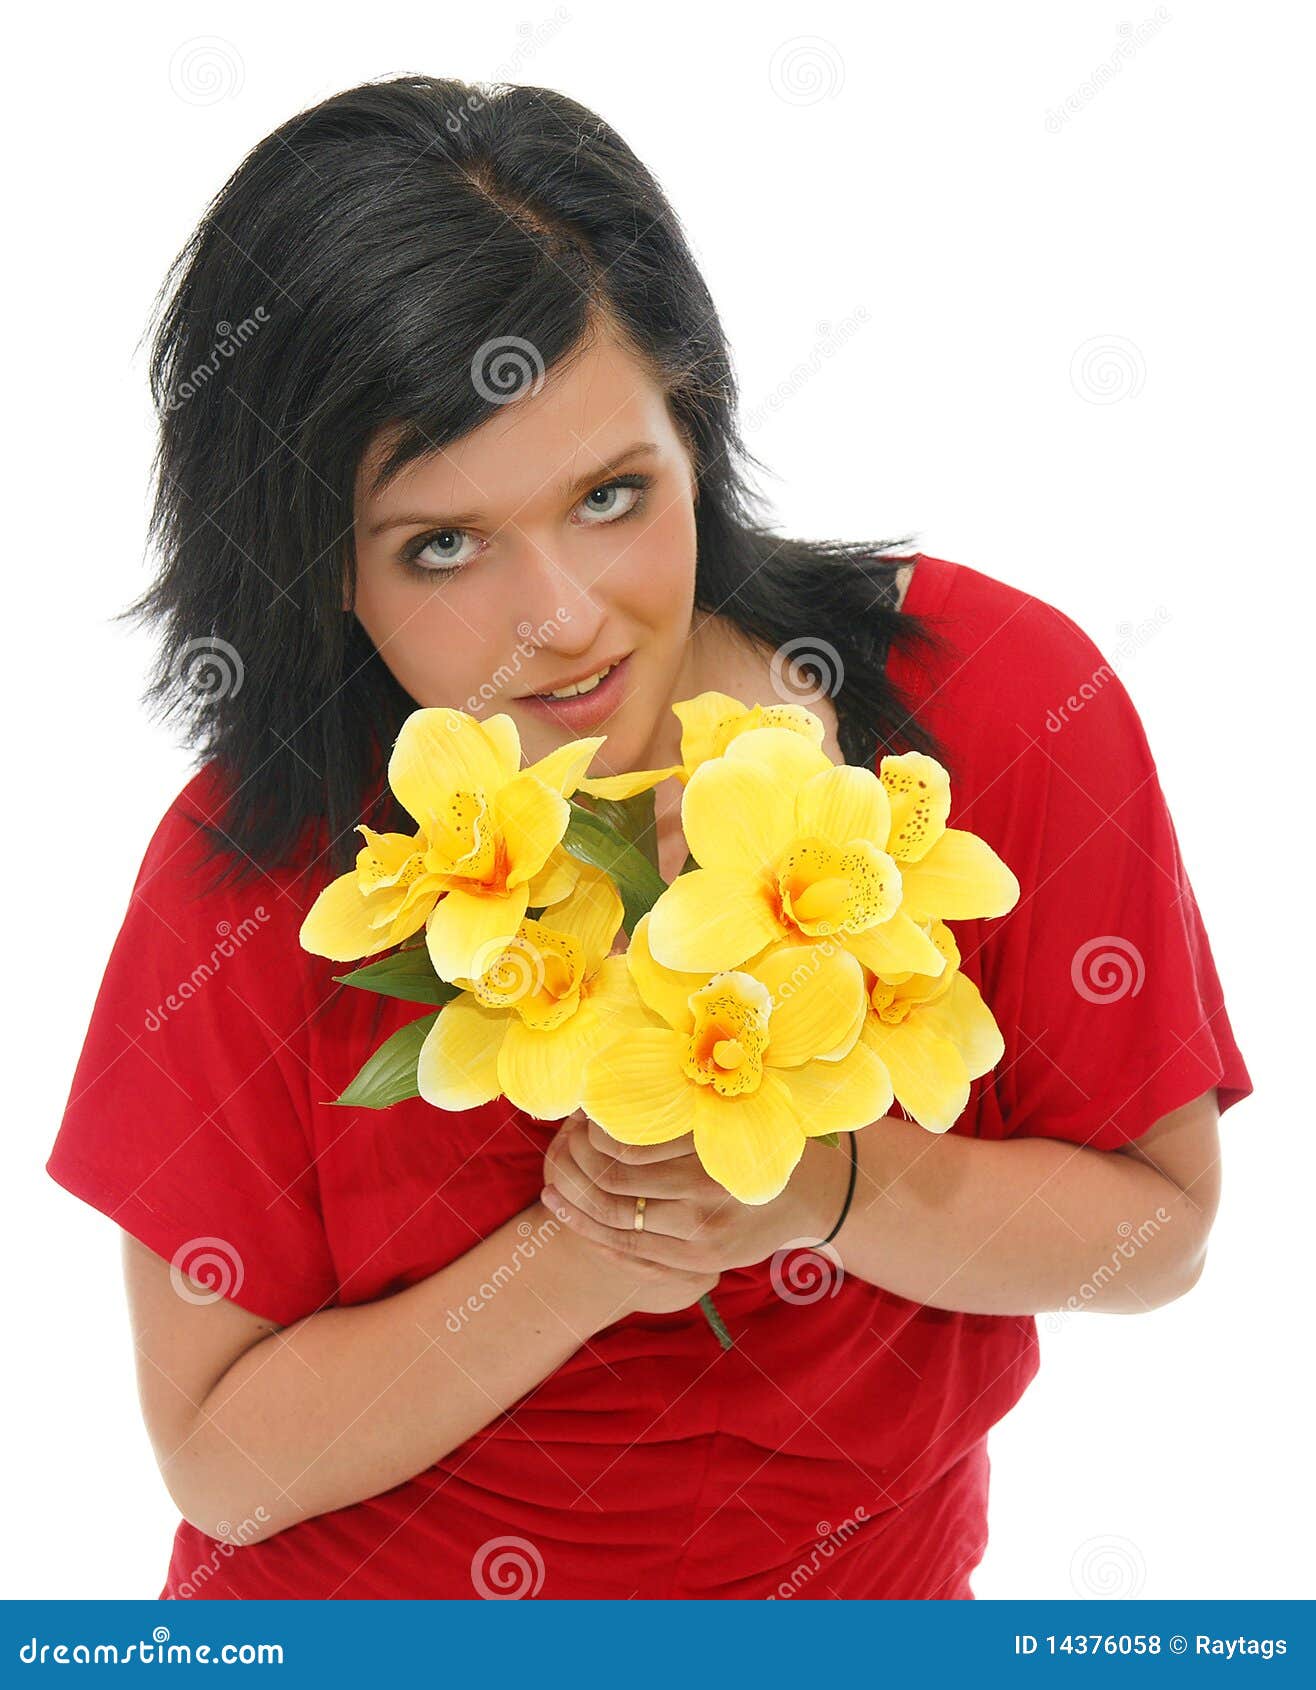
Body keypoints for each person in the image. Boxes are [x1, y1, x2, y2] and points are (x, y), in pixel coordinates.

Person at [46, 75, 1252, 1601]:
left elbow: (1157, 1234)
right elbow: (218, 1455)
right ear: (316, 572)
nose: (561, 619)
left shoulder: (1000, 702)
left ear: (695, 427)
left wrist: (816, 1183)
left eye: (613, 493)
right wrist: (587, 1256)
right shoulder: (255, 864)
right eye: (442, 544)